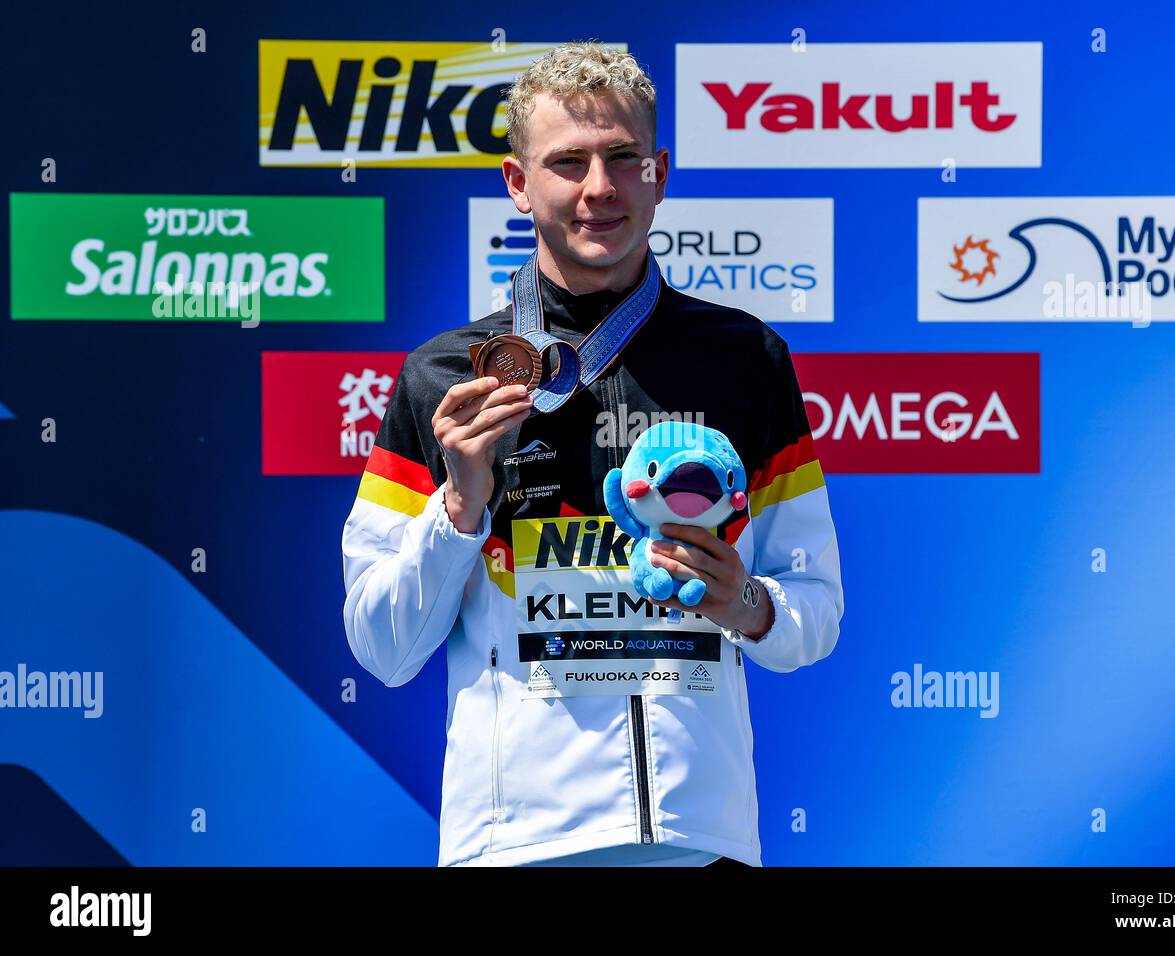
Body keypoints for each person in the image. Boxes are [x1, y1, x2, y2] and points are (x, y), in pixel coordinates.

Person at [341, 42, 844, 867]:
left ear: (661, 171)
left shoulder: (744, 359)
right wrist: (461, 508)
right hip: (514, 845)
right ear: (517, 183)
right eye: (567, 163)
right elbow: (382, 648)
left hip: (698, 839)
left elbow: (814, 610)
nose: (598, 188)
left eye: (621, 158)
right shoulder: (443, 378)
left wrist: (744, 601)